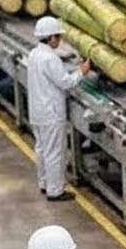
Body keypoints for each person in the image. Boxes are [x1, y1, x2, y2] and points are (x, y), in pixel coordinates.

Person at [26, 17, 91, 201]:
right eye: (58, 37)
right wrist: (82, 71)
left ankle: (44, 183)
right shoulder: (50, 58)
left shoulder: (34, 54)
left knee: (42, 149)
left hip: (37, 112)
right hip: (51, 114)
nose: (60, 40)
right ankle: (55, 191)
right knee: (55, 152)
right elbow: (66, 82)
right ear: (51, 38)